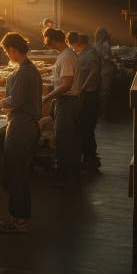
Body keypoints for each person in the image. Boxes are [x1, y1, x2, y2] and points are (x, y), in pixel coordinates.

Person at [0, 33, 42, 234]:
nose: (7, 55)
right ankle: (18, 217)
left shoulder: (23, 72)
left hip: (21, 127)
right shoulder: (30, 69)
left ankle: (19, 220)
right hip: (23, 125)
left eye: (7, 51)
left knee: (16, 175)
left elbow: (16, 100)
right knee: (17, 174)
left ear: (13, 49)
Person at [42, 28, 82, 188]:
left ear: (51, 39)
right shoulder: (66, 55)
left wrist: (47, 98)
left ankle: (65, 177)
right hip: (68, 101)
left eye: (45, 38)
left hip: (67, 102)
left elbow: (66, 84)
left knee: (63, 140)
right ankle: (69, 174)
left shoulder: (66, 57)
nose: (45, 42)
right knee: (68, 139)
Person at [73, 33, 102, 171]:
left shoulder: (89, 54)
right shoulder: (85, 52)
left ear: (79, 42)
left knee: (87, 126)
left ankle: (90, 158)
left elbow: (94, 71)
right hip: (87, 93)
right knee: (86, 127)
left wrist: (83, 87)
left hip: (89, 95)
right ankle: (89, 156)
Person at [94, 26, 114, 120]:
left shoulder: (95, 44)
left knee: (99, 92)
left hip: (98, 70)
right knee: (105, 93)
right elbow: (106, 58)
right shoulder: (106, 44)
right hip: (106, 70)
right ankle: (105, 114)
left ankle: (100, 113)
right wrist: (113, 60)